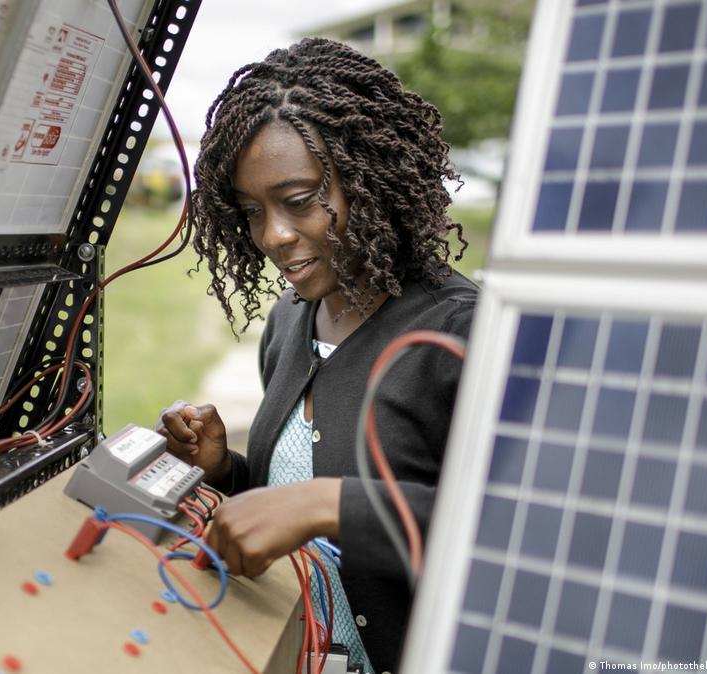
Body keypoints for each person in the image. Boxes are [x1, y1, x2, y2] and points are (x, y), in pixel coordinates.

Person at [157, 38, 477, 674]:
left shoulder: (461, 334)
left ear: (371, 181)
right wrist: (226, 473)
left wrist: (326, 504)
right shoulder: (288, 324)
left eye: (299, 201)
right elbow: (291, 501)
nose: (273, 235)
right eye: (253, 212)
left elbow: (518, 529)